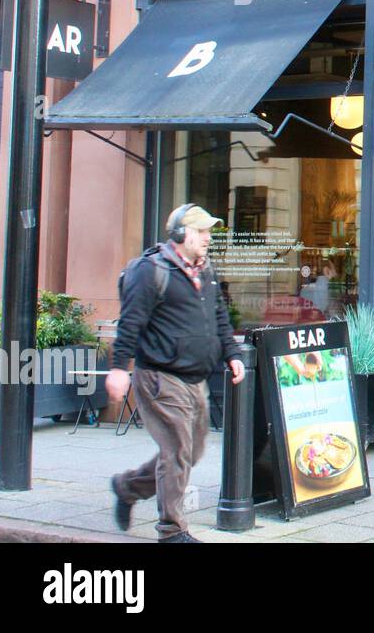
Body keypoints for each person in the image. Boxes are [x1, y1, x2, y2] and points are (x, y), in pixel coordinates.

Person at [107, 204, 246, 543]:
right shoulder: (150, 270)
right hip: (159, 376)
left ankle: (127, 487)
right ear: (181, 234)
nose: (207, 238)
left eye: (208, 232)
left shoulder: (206, 270)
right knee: (177, 450)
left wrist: (232, 354)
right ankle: (171, 531)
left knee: (191, 451)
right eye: (201, 231)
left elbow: (219, 316)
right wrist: (118, 368)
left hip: (194, 378)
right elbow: (130, 323)